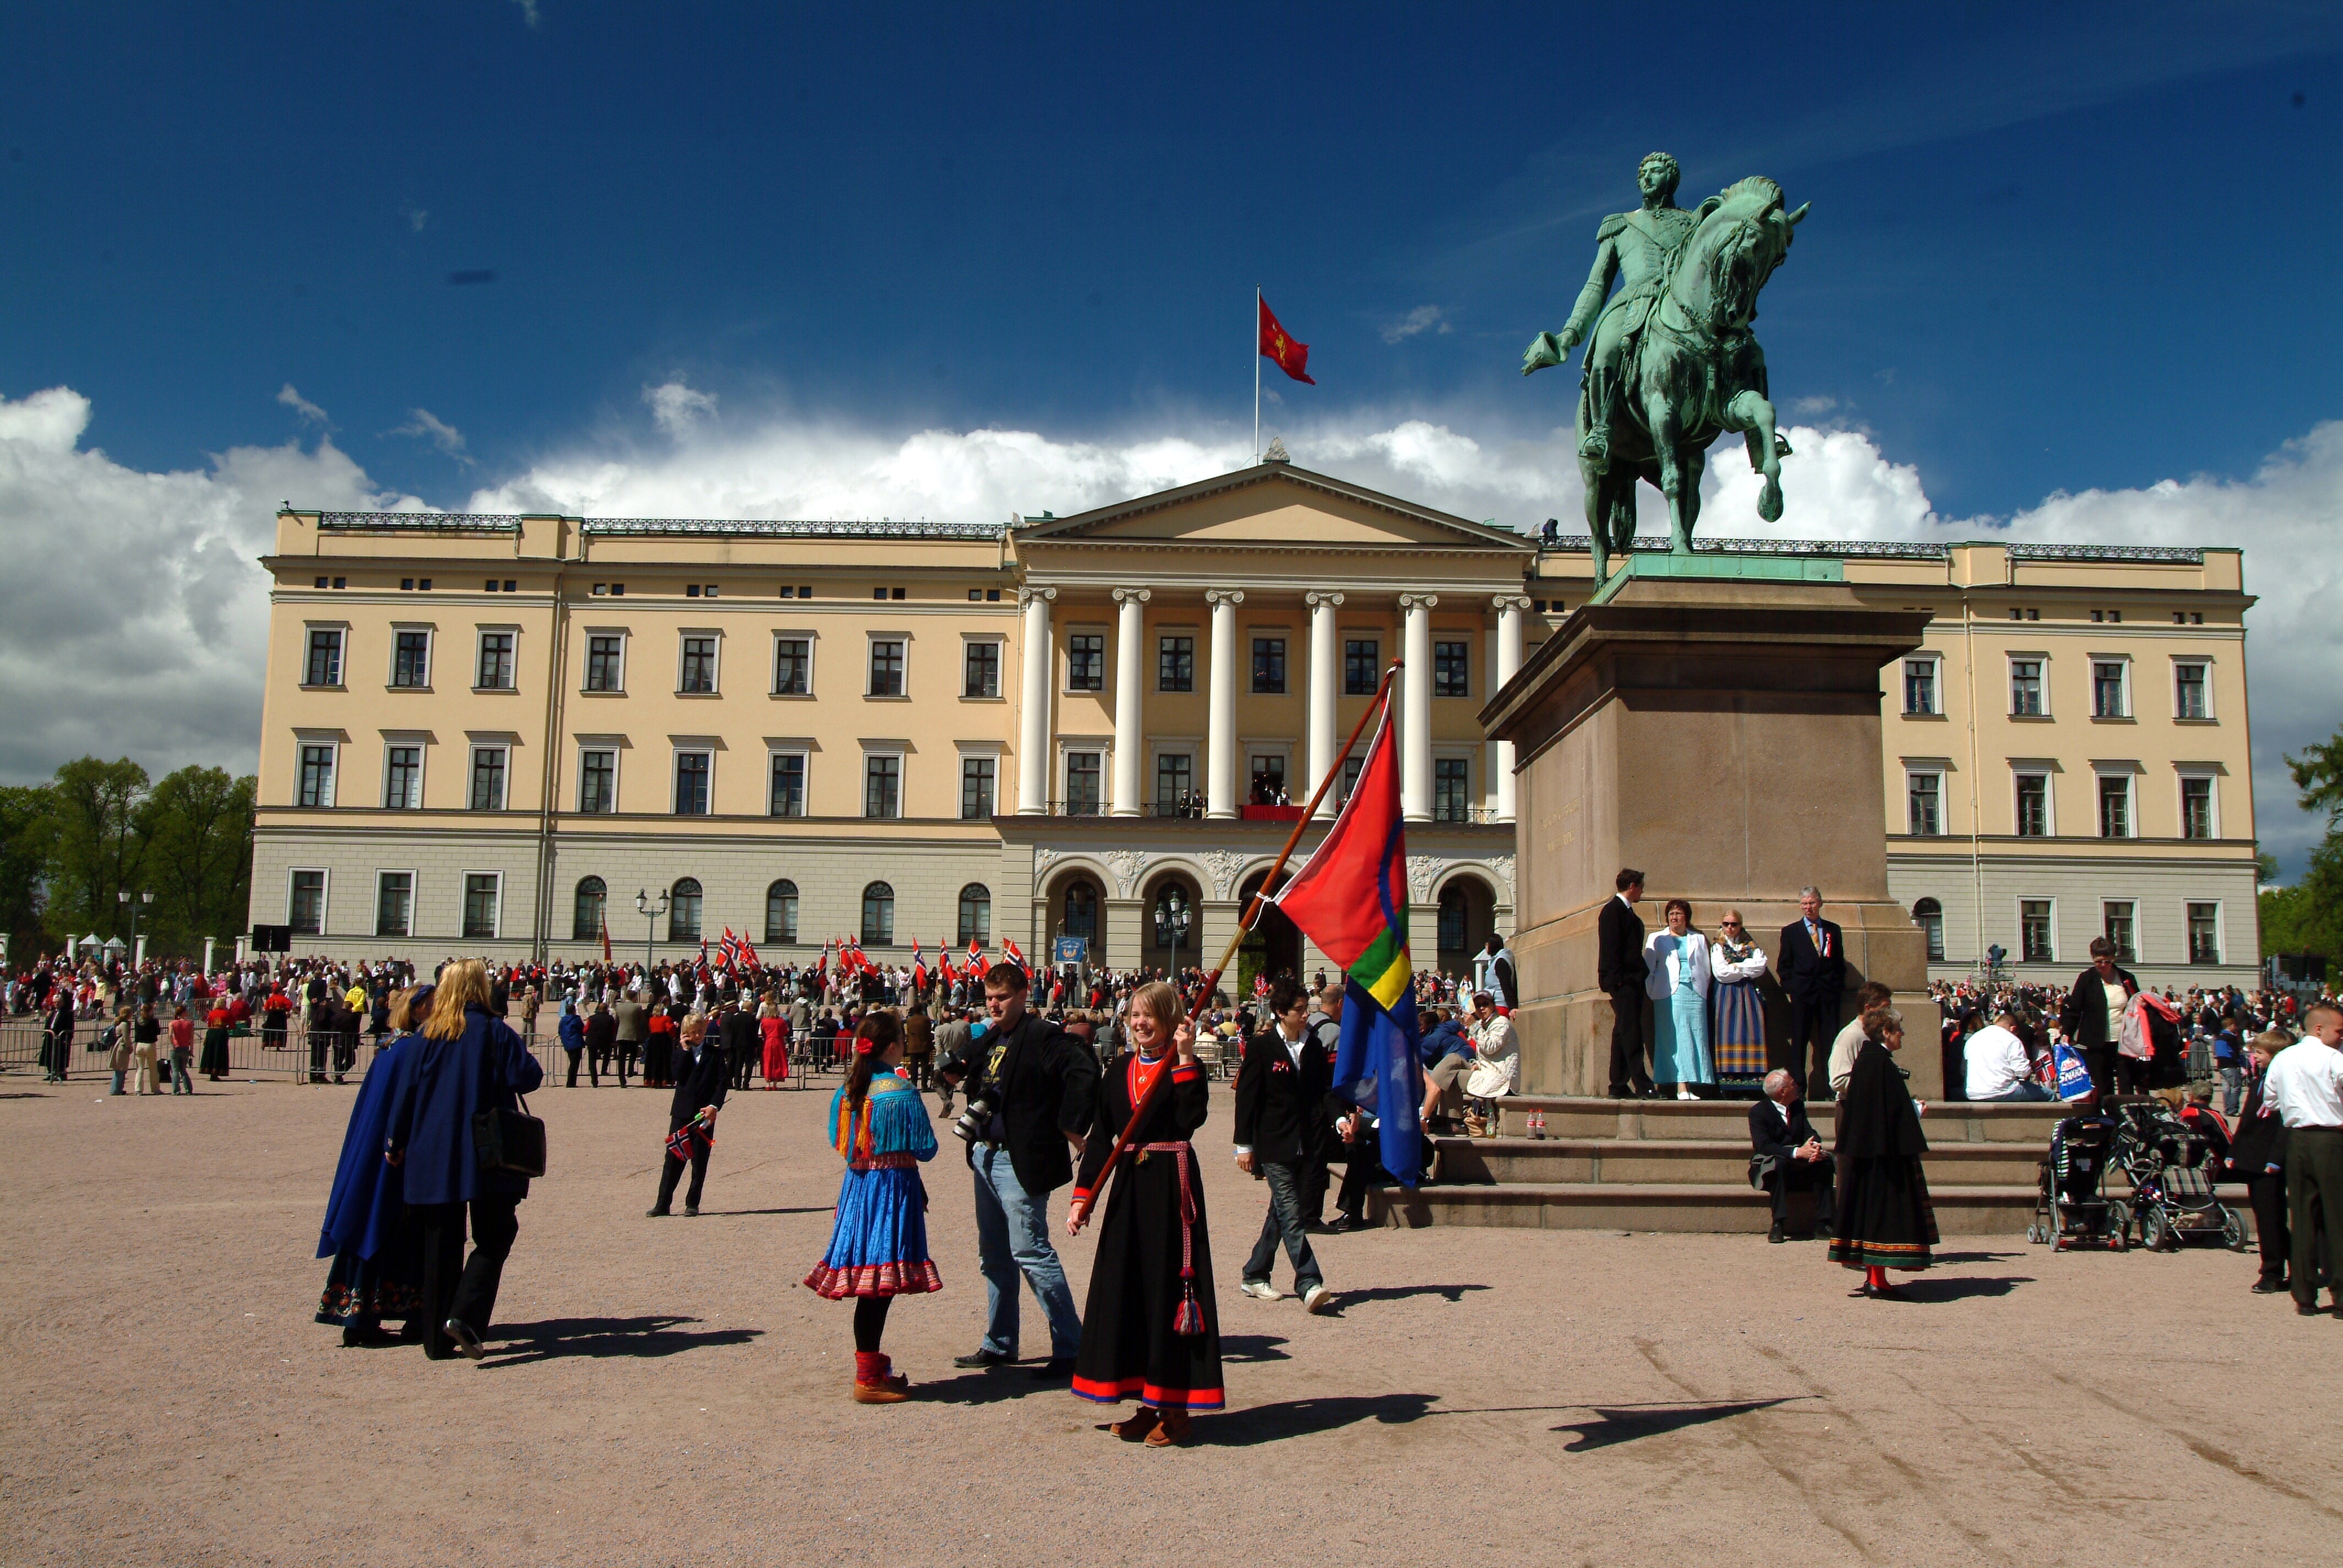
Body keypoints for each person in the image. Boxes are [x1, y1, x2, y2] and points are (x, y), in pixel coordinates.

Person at [1066, 979, 1224, 1446]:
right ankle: (1146, 1399)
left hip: (1171, 1186)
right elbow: (1101, 1138)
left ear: (1173, 1019)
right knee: (1128, 1286)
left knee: (1167, 1289)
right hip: (1129, 1189)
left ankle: (1175, 1408)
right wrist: (1083, 1197)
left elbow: (1192, 1118)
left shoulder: (1182, 1065)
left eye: (1149, 1015)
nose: (1139, 1023)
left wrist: (1188, 1057)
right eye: (1134, 1014)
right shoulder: (1117, 1070)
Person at [937, 962, 1099, 1376]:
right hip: (985, 1155)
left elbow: (1083, 1069)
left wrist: (1070, 1123)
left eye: (1002, 997)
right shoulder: (991, 1036)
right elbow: (967, 1066)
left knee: (1031, 1251)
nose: (994, 1004)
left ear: (1024, 995)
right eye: (990, 997)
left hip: (1019, 1159)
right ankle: (1000, 1341)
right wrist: (954, 1070)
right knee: (994, 1254)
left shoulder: (1043, 1035)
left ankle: (1072, 1347)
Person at [383, 959, 545, 1361]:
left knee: (440, 1245)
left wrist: (396, 1141)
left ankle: (435, 1341)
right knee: (495, 1236)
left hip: (432, 1149)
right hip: (486, 1149)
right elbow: (529, 1077)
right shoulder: (493, 1032)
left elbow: (404, 1097)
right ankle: (464, 1314)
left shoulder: (424, 1036)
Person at [804, 1011, 942, 1403]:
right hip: (893, 1190)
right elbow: (927, 1148)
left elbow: (839, 1141)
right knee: (880, 1281)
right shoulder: (901, 1091)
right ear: (894, 1045)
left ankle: (874, 1367)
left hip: (859, 1186)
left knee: (870, 1278)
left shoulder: (848, 1090)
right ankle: (867, 1376)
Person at [316, 987, 427, 1347]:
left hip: (375, 1152)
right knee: (401, 1232)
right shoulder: (412, 1049)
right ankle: (407, 1313)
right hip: (397, 1157)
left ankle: (361, 1315)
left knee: (374, 1222)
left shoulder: (390, 1047)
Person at [1232, 977, 1338, 1313]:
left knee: (1280, 1212)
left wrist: (1339, 1119)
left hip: (1306, 1141)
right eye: (1299, 1010)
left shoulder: (1314, 1046)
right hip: (1273, 1142)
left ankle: (1255, 1273)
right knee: (1293, 1212)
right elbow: (1247, 1098)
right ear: (1280, 1013)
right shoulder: (1262, 1048)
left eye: (1307, 1009)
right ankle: (1309, 1281)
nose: (1306, 1015)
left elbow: (1324, 1091)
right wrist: (1243, 1145)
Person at [1828, 1005, 1936, 1297]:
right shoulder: (1878, 1063)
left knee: (1871, 1217)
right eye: (1899, 1029)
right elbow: (1887, 1110)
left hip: (1872, 1152)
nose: (1903, 1035)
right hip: (1884, 1156)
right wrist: (1913, 1110)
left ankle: (1876, 1278)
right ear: (1885, 1032)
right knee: (1881, 1218)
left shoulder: (1870, 1061)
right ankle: (1877, 1279)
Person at [2260, 1000, 2343, 1317]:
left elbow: (2271, 1100)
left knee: (2303, 1218)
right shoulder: (2332, 1057)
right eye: (2339, 1031)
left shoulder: (2283, 1058)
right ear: (2319, 1029)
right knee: (2336, 1218)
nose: (2341, 1037)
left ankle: (2304, 1295)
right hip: (2331, 1138)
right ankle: (2340, 1294)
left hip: (2297, 1139)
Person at [2227, 1030, 2296, 1296]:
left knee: (2273, 1217)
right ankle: (2290, 1265)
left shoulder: (2288, 1084)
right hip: (2253, 1154)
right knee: (2266, 1216)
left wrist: (2276, 1159)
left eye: (2260, 1052)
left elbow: (2286, 1126)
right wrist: (2234, 1151)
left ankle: (2272, 1271)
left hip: (2273, 1157)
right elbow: (2246, 1120)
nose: (2254, 1056)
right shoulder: (2258, 1082)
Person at [647, 1012, 729, 1217]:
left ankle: (692, 1203)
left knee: (700, 1160)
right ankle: (663, 1203)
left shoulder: (715, 1054)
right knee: (673, 1159)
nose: (698, 1035)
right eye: (693, 1033)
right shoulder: (678, 1053)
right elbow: (677, 1076)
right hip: (682, 1113)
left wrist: (714, 1107)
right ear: (685, 1034)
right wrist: (684, 1051)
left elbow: (722, 1083)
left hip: (704, 1115)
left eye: (701, 1031)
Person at [1748, 1069, 1834, 1243]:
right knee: (1778, 1165)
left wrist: (1813, 1146)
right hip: (1775, 1165)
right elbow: (1764, 1146)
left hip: (1800, 1165)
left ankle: (1824, 1223)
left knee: (1824, 1163)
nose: (1797, 1086)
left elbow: (1809, 1131)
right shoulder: (1759, 1112)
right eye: (1793, 1084)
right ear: (1782, 1092)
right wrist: (1796, 1152)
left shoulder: (1797, 1106)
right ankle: (1778, 1223)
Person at [1778, 887, 1846, 1097]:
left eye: (1812, 903)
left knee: (1829, 1042)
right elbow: (1784, 965)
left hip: (1827, 996)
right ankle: (1798, 1087)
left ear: (1820, 904)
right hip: (1802, 996)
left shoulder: (1833, 930)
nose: (1808, 907)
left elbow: (1839, 962)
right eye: (1805, 903)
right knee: (1799, 1043)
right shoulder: (1791, 932)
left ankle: (1829, 1086)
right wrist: (1793, 988)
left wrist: (1836, 986)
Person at [1645, 899, 1713, 1099]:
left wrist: (1702, 991)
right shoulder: (1657, 938)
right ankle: (1681, 1086)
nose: (1675, 918)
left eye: (1679, 914)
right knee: (1676, 1038)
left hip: (1695, 994)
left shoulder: (1698, 939)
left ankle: (1692, 1084)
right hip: (1669, 994)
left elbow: (1706, 969)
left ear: (1687, 917)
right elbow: (1649, 968)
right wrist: (1652, 992)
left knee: (1695, 1037)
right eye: (1672, 914)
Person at [2058, 938, 2140, 1101]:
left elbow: (2136, 1005)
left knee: (2126, 1084)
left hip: (2123, 1042)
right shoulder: (2086, 979)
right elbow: (2075, 1009)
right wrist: (2067, 1032)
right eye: (2098, 961)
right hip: (2097, 1042)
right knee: (2103, 1085)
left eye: (2106, 961)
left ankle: (2126, 1118)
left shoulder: (2126, 978)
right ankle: (2105, 1118)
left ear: (2113, 959)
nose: (2102, 965)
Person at [1598, 868, 1652, 1098]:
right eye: (1641, 887)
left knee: (1622, 1032)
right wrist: (1617, 980)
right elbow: (1611, 949)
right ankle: (1642, 1083)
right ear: (1632, 886)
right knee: (1632, 1033)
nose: (1642, 891)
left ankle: (1618, 1084)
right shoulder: (1613, 912)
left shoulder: (1627, 912)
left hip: (1631, 980)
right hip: (1623, 981)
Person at [1709, 910, 1769, 1092]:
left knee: (1751, 1032)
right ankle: (1729, 1082)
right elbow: (1721, 973)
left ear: (1740, 926)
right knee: (1728, 1032)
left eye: (1734, 924)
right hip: (1727, 994)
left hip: (1749, 995)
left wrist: (1736, 966)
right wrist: (1745, 968)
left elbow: (1760, 966)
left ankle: (1751, 1080)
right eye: (1726, 924)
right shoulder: (1718, 946)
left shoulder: (1751, 945)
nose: (1730, 928)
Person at [1827, 981, 1897, 1101]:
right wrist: (1877, 1083)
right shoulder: (1850, 1036)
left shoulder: (1875, 1035)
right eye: (1885, 1008)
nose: (1889, 1014)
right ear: (1868, 1008)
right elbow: (1837, 1081)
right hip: (1851, 1107)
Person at [1965, 1008, 2051, 1102]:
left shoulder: (1973, 1039)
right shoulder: (2012, 1040)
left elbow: (1964, 1069)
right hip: (2003, 1091)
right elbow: (2023, 1072)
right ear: (2013, 1028)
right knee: (2049, 1094)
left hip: (1974, 1093)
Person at [611, 988, 646, 1087]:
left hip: (621, 1034)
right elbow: (643, 1021)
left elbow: (617, 1022)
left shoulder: (619, 1007)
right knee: (634, 1054)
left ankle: (622, 1080)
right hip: (633, 1034)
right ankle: (630, 1069)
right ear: (634, 997)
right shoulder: (637, 1007)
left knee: (621, 1058)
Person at [582, 1000, 617, 1087]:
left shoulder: (592, 1018)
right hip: (606, 1040)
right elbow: (613, 1030)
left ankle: (594, 1081)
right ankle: (604, 1069)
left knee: (592, 1061)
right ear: (607, 1010)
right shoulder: (610, 1019)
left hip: (592, 1040)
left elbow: (585, 1030)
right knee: (607, 1055)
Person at [1481, 934, 1517, 1013]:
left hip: (1500, 1006)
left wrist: (1512, 1007)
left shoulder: (1500, 962)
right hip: (1494, 1005)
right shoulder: (1495, 961)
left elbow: (1506, 984)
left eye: (1487, 945)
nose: (1486, 947)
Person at [131, 1003, 161, 1095]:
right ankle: (155, 1089)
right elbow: (158, 1032)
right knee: (153, 1068)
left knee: (140, 1069)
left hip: (139, 1045)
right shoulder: (153, 1021)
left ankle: (138, 1090)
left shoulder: (138, 1020)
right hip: (150, 1044)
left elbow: (136, 1032)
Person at [200, 997, 233, 1081]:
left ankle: (210, 1071)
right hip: (221, 1033)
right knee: (219, 1052)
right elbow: (232, 1024)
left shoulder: (212, 1013)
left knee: (211, 1052)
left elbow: (209, 1024)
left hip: (211, 1033)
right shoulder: (226, 1013)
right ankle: (217, 1072)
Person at [557, 999, 586, 1088]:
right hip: (576, 1042)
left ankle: (572, 1082)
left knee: (573, 1062)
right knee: (574, 1063)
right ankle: (571, 1082)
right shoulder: (576, 1019)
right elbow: (582, 1029)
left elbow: (560, 1031)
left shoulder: (563, 1020)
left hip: (567, 1043)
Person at [168, 1005, 196, 1095]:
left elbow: (170, 1035)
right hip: (185, 1047)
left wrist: (172, 1044)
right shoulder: (189, 1024)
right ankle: (189, 1089)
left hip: (176, 1047)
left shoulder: (172, 1023)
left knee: (175, 1070)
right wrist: (192, 1049)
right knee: (183, 1070)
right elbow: (191, 1038)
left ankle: (176, 1090)